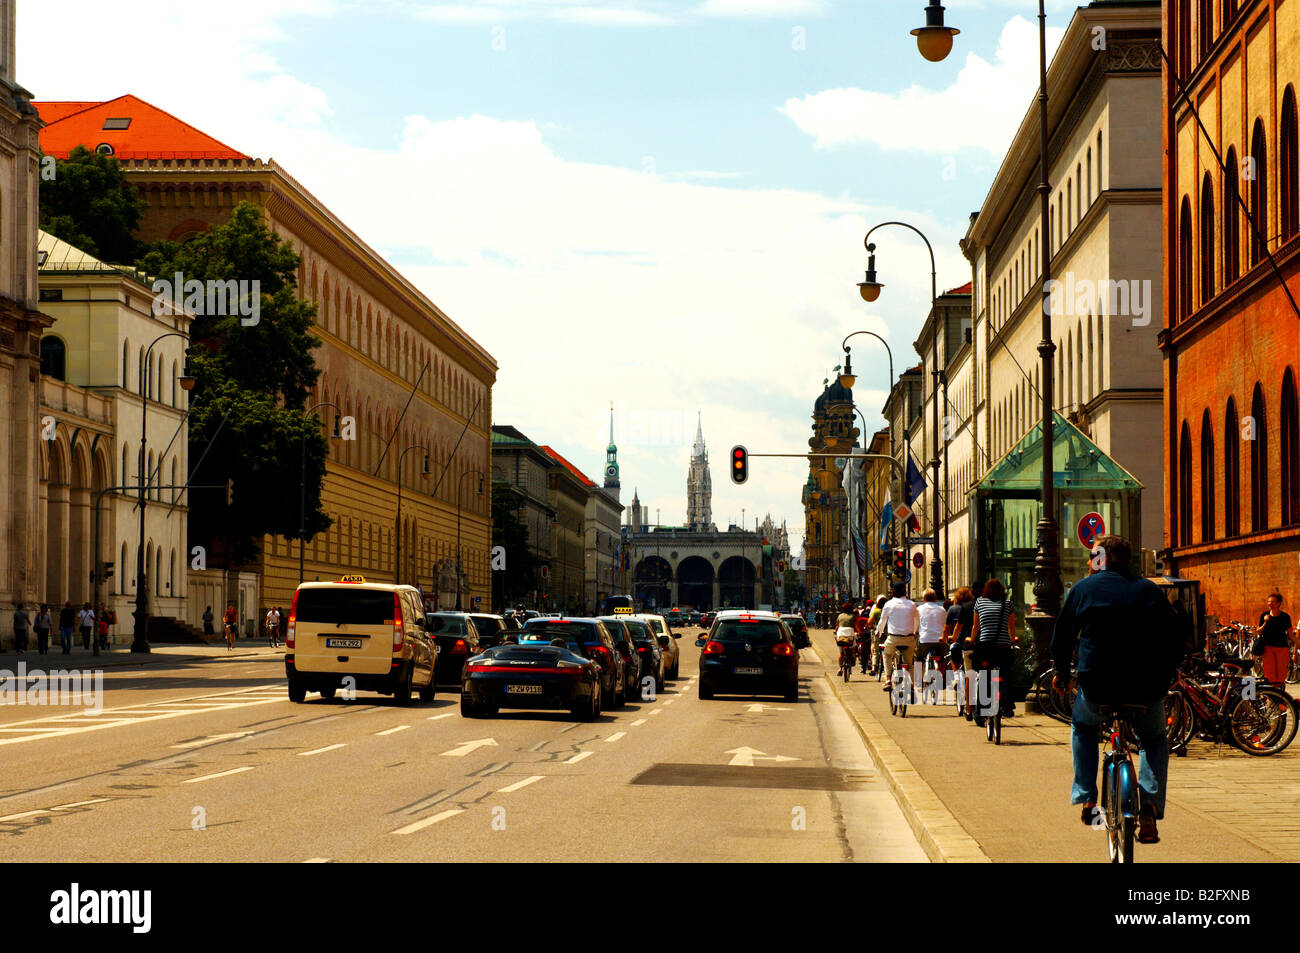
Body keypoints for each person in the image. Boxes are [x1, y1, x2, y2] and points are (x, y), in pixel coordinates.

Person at [1050, 534, 1184, 846]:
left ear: (1102, 559)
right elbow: (1175, 637)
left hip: (1098, 686)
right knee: (1152, 739)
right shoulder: (1149, 590)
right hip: (1145, 687)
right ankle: (1149, 806)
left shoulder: (1084, 589)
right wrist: (1168, 675)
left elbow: (1062, 637)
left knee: (1083, 727)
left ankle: (1086, 798)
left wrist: (1060, 673)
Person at [972, 579, 1016, 721]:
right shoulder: (1008, 604)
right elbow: (1011, 627)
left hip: (985, 646)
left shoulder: (979, 602)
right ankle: (1007, 704)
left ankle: (980, 714)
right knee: (1007, 673)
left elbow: (976, 626)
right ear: (1003, 590)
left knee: (984, 676)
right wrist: (1013, 639)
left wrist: (971, 640)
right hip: (1003, 646)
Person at [875, 583, 919, 694]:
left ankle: (888, 679)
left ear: (893, 591)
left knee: (887, 654)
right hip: (909, 639)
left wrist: (878, 633)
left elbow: (882, 621)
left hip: (893, 638)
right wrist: (914, 632)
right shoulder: (912, 604)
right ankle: (911, 685)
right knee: (909, 663)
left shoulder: (889, 604)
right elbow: (917, 620)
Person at [1255, 592, 1295, 685]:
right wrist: (1265, 622)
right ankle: (1272, 695)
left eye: (1272, 602)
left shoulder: (1285, 617)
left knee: (1281, 674)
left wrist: (1298, 642)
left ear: (1279, 603)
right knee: (1270, 674)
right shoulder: (1264, 615)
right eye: (1268, 602)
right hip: (1268, 648)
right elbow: (1259, 632)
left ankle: (1279, 695)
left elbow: (1290, 635)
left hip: (1282, 648)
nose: (1270, 604)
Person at [916, 589, 948, 690]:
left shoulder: (919, 609)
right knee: (942, 658)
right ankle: (942, 675)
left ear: (924, 599)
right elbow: (945, 625)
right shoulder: (942, 609)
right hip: (940, 640)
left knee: (918, 658)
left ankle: (919, 681)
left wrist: (915, 632)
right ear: (935, 598)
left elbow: (916, 624)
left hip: (925, 639)